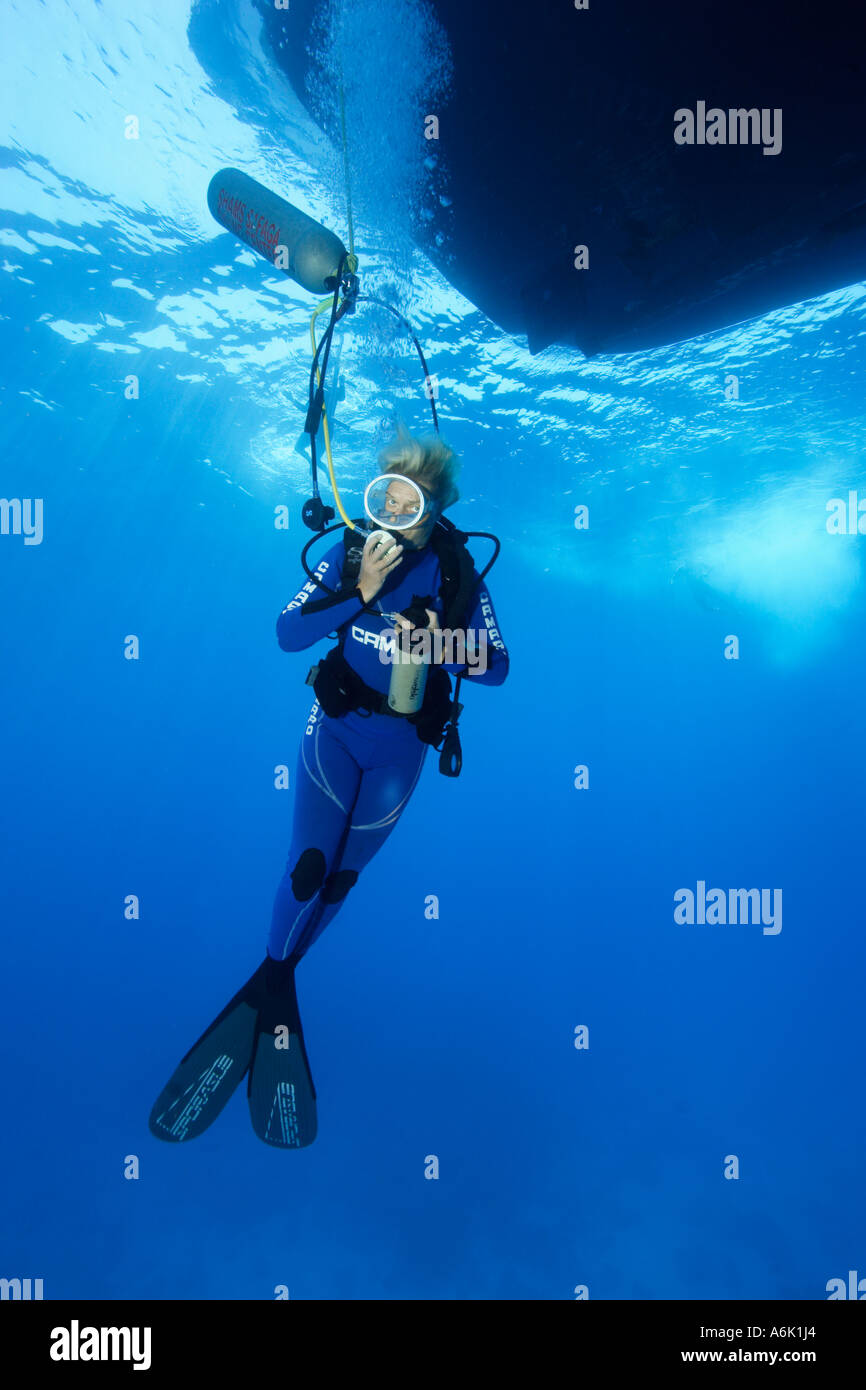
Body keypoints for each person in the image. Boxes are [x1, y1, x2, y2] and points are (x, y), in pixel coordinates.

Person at [149, 427, 508, 1148]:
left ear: (436, 512)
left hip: (400, 750)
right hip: (334, 734)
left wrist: (435, 642)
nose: (393, 517)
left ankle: (274, 981)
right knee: (308, 868)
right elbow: (287, 633)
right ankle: (275, 977)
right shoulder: (348, 556)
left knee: (340, 881)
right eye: (386, 499)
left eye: (412, 505)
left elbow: (496, 666)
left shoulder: (456, 572)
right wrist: (361, 594)